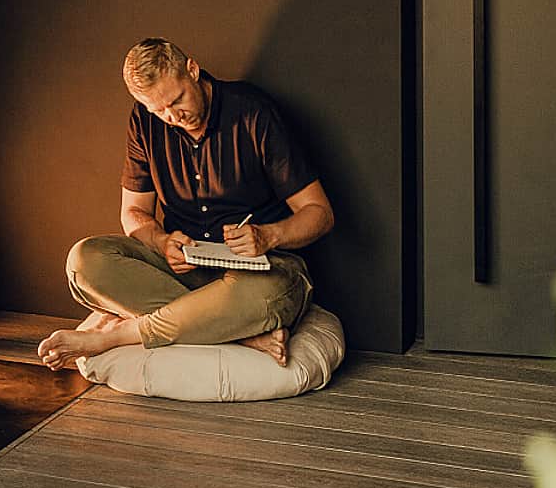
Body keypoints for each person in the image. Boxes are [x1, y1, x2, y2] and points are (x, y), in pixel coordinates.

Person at [37, 38, 334, 370]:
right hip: (187, 272)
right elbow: (134, 213)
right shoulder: (145, 120)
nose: (173, 117)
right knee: (84, 260)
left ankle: (114, 336)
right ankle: (238, 335)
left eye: (177, 100)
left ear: (192, 70)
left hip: (260, 272)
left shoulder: (254, 112)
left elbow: (320, 214)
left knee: (265, 299)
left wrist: (268, 236)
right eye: (158, 110)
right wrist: (160, 241)